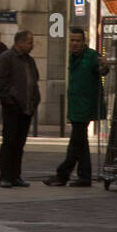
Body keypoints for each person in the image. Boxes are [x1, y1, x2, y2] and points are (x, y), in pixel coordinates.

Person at [46, 27, 105, 187]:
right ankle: (83, 177)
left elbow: (102, 70)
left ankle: (63, 175)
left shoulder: (91, 56)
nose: (74, 43)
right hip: (75, 106)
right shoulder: (73, 57)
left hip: (85, 107)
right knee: (81, 143)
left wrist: (104, 66)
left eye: (78, 40)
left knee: (75, 144)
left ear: (83, 42)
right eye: (72, 40)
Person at [0, 30, 40, 188]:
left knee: (19, 144)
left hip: (26, 108)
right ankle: (5, 176)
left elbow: (34, 81)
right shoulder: (7, 58)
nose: (32, 46)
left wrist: (35, 100)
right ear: (20, 43)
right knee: (9, 142)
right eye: (29, 42)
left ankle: (16, 175)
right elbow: (1, 83)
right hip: (12, 108)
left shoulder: (29, 61)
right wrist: (9, 102)